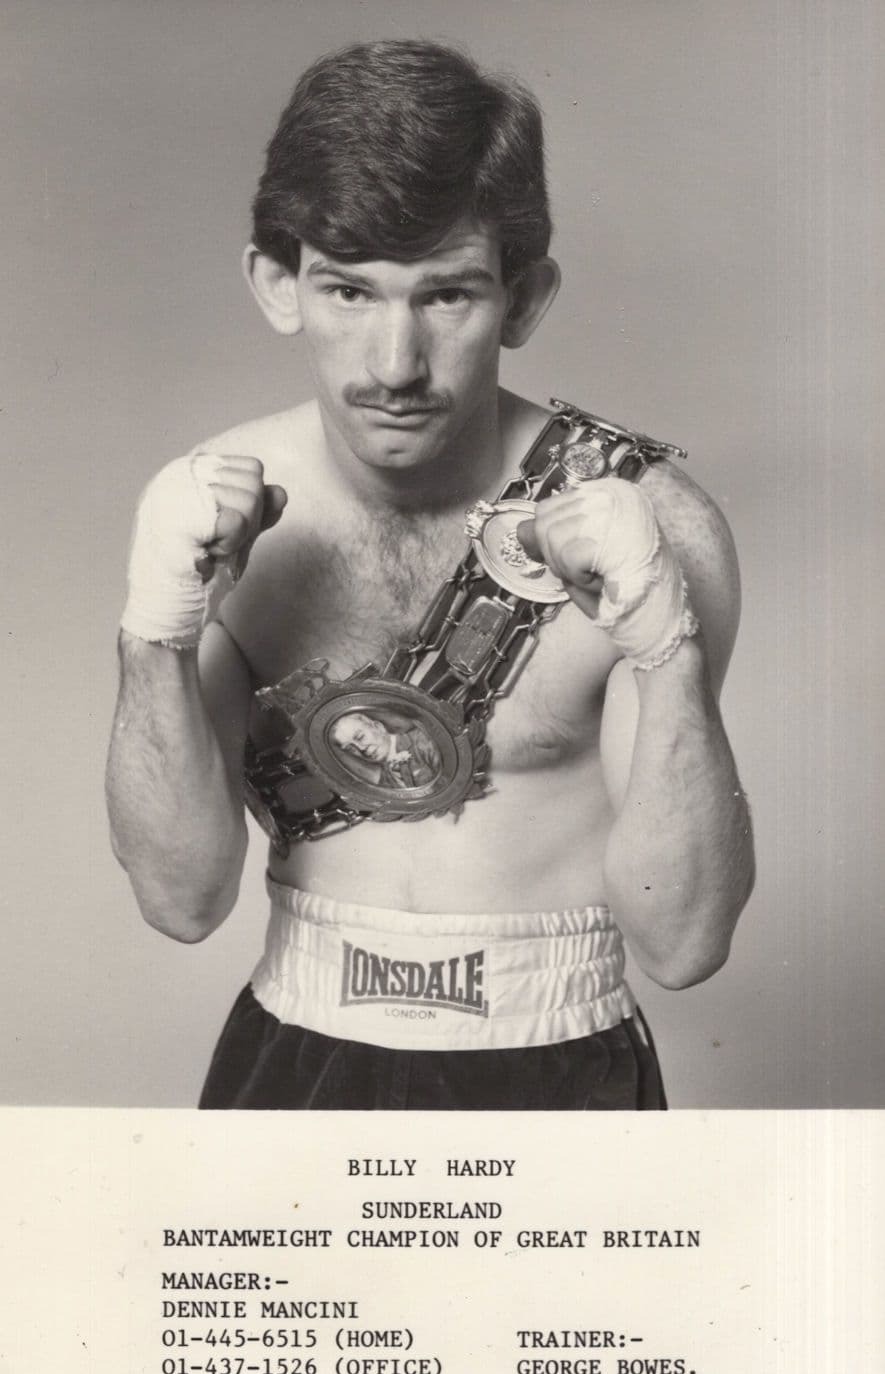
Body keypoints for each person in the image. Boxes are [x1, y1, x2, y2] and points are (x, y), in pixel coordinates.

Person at [105, 39, 755, 1110]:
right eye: (349, 292)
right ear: (279, 285)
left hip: (563, 1054)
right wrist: (154, 628)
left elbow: (684, 943)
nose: (394, 363)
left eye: (446, 296)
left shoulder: (652, 522)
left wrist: (664, 645)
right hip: (296, 1047)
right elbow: (180, 899)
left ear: (525, 296)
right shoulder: (212, 510)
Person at [330, 712, 442, 789]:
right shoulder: (386, 776)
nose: (361, 748)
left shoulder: (421, 741)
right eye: (350, 748)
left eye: (360, 737)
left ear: (378, 727)